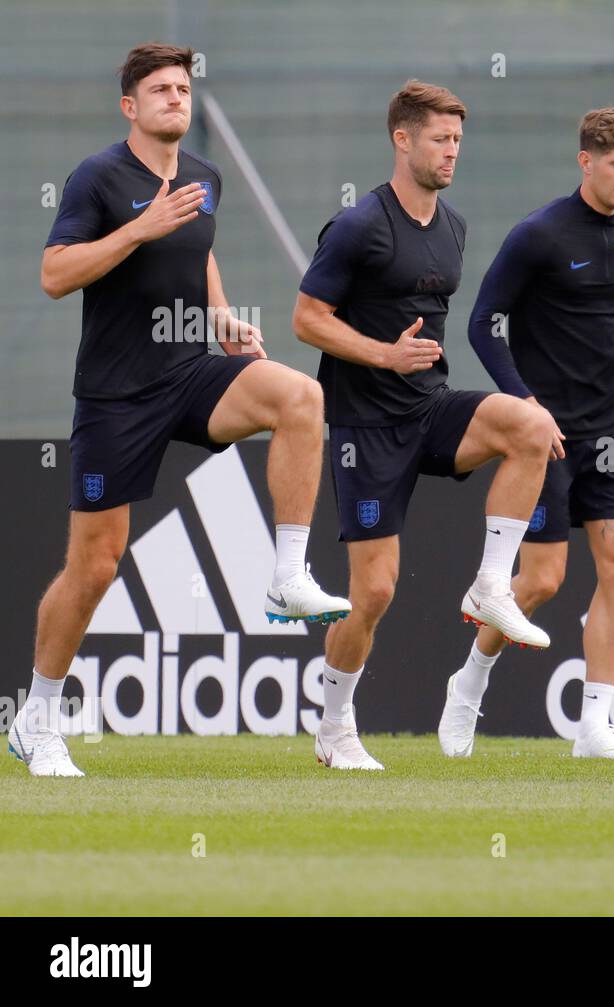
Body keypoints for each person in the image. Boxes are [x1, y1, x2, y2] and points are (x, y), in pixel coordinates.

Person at [10, 43, 349, 779]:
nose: (176, 99)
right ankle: (36, 719)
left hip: (190, 370)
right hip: (115, 394)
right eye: (160, 90)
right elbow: (52, 274)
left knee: (301, 396)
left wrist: (222, 316)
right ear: (129, 106)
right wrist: (137, 228)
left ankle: (287, 572)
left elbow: (198, 249)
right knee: (94, 565)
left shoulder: (205, 176)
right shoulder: (99, 177)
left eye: (183, 89)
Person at [293, 81, 555, 771]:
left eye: (458, 141)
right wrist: (383, 353)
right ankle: (334, 725)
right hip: (366, 424)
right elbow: (306, 318)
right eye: (440, 139)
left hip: (430, 408)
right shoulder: (357, 225)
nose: (451, 152)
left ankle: (491, 585)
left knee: (527, 426)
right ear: (402, 139)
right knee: (374, 591)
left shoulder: (456, 226)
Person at [440, 106, 614, 760]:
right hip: (547, 437)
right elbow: (485, 323)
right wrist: (525, 404)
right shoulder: (538, 234)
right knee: (540, 579)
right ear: (585, 161)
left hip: (610, 430)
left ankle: (594, 726)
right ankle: (469, 683)